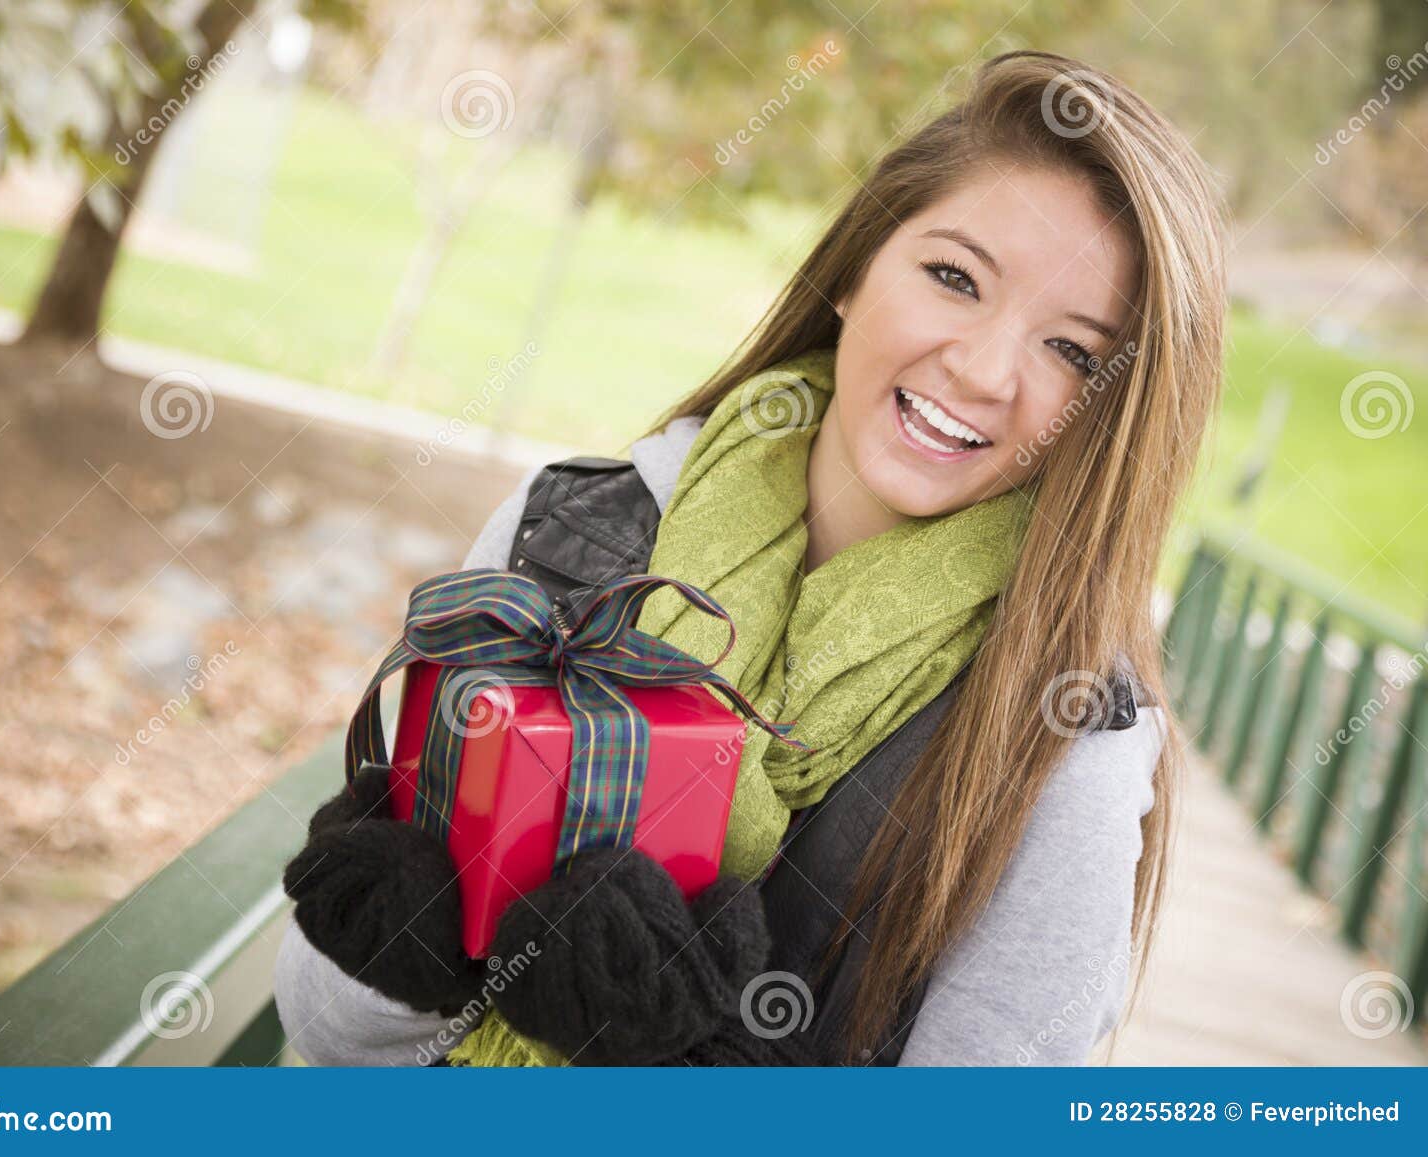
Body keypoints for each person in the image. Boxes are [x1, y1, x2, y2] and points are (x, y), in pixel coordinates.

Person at [274, 49, 1228, 1067]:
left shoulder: (1065, 732)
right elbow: (323, 1031)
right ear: (856, 270)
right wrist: (409, 956)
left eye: (1073, 351)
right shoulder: (563, 528)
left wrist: (684, 1059)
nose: (985, 369)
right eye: (954, 278)